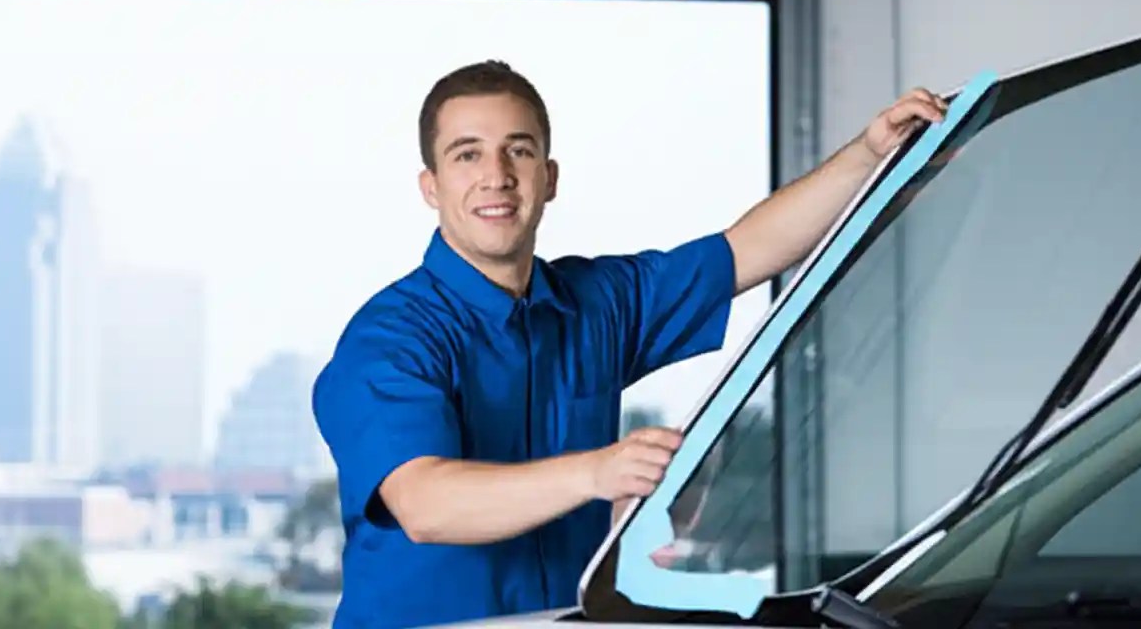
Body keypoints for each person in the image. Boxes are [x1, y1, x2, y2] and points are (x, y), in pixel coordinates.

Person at [312, 60, 947, 628]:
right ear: (431, 186)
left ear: (550, 176)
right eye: (467, 155)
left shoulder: (598, 301)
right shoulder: (390, 338)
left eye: (519, 151)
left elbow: (747, 249)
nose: (497, 176)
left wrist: (871, 156)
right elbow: (426, 505)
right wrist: (597, 471)